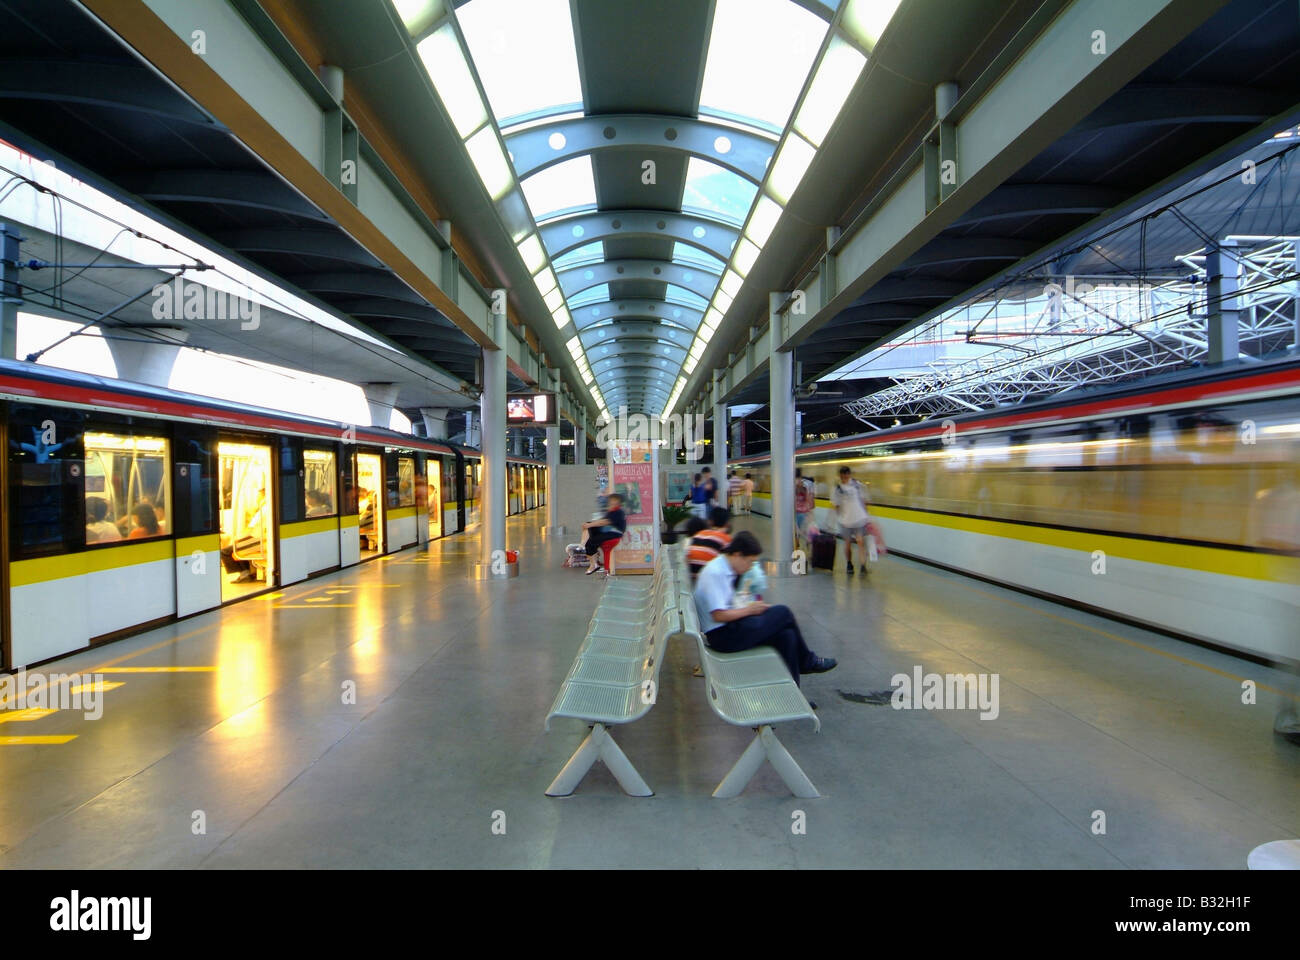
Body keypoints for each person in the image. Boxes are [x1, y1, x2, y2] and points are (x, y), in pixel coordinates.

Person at [694, 531, 837, 691]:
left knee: (787, 635)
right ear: (737, 554)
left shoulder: (724, 567)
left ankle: (791, 695)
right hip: (723, 637)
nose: (749, 567)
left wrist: (750, 609)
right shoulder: (715, 573)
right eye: (749, 562)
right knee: (783, 612)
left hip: (731, 628)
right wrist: (750, 610)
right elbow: (718, 615)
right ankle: (808, 661)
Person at [831, 465, 870, 574]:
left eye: (846, 476)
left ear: (849, 475)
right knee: (847, 544)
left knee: (860, 542)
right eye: (842, 477)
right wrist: (838, 517)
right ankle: (849, 563)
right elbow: (836, 505)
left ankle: (863, 565)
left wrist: (867, 516)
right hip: (845, 521)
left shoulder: (858, 485)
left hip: (860, 519)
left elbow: (864, 501)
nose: (844, 479)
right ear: (840, 476)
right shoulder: (837, 488)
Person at [581, 492, 626, 575]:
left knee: (591, 541)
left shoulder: (618, 511)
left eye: (612, 501)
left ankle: (594, 563)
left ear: (617, 502)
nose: (610, 502)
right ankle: (586, 545)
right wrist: (589, 524)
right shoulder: (612, 511)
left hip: (614, 534)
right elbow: (602, 521)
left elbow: (604, 522)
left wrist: (590, 524)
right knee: (590, 529)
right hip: (609, 531)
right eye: (610, 501)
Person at [686, 506, 732, 580]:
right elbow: (730, 563)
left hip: (691, 577)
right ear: (727, 523)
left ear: (710, 521)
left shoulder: (699, 534)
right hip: (709, 579)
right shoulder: (726, 538)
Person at [794, 468, 816, 553]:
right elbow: (812, 502)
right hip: (805, 512)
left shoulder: (800, 484)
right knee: (806, 533)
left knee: (797, 534)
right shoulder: (809, 483)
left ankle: (797, 550)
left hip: (798, 513)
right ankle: (808, 551)